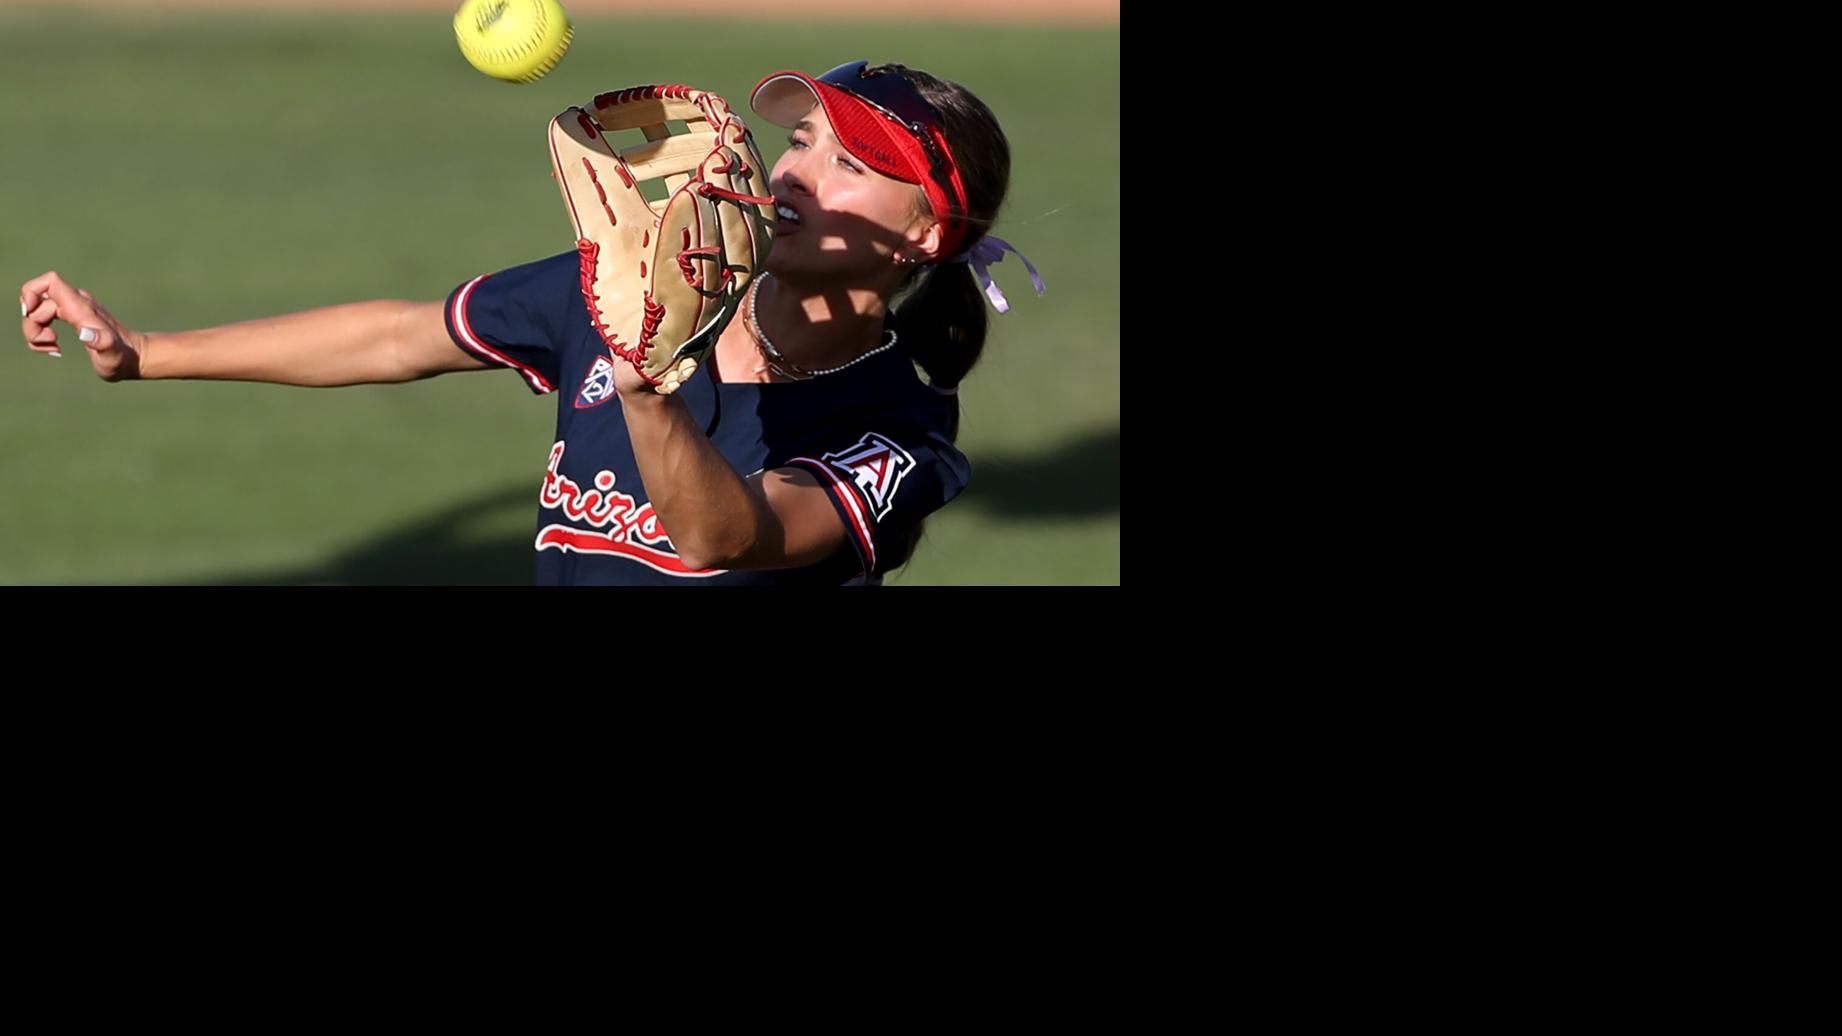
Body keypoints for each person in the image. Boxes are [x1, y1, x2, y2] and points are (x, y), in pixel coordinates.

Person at [17, 61, 1043, 585]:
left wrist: (645, 377)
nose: (795, 170)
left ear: (928, 233)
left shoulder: (899, 432)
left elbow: (723, 536)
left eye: (852, 166)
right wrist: (143, 353)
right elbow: (399, 336)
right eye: (805, 138)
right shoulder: (633, 278)